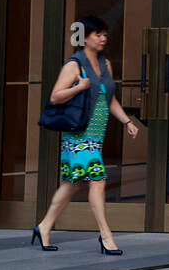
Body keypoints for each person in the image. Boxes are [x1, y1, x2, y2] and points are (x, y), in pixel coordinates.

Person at [33, 15, 139, 255]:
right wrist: (79, 87)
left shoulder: (106, 64)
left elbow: (109, 99)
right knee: (98, 181)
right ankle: (106, 236)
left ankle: (44, 226)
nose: (103, 38)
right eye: (98, 34)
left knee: (71, 184)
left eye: (104, 34)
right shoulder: (74, 65)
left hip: (96, 135)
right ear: (84, 37)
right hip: (80, 135)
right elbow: (54, 97)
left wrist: (127, 122)